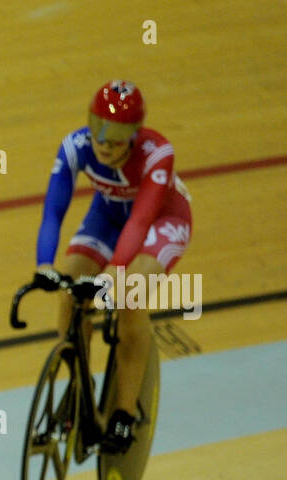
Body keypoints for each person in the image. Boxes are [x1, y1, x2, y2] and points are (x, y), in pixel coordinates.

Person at [32, 80, 191, 453]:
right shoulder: (76, 145)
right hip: (107, 216)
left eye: (116, 138)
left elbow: (140, 222)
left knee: (129, 295)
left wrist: (112, 275)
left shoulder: (157, 153)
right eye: (98, 132)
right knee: (71, 288)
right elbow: (53, 210)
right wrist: (43, 264)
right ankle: (79, 390)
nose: (103, 144)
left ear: (135, 137)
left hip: (159, 222)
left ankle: (122, 415)